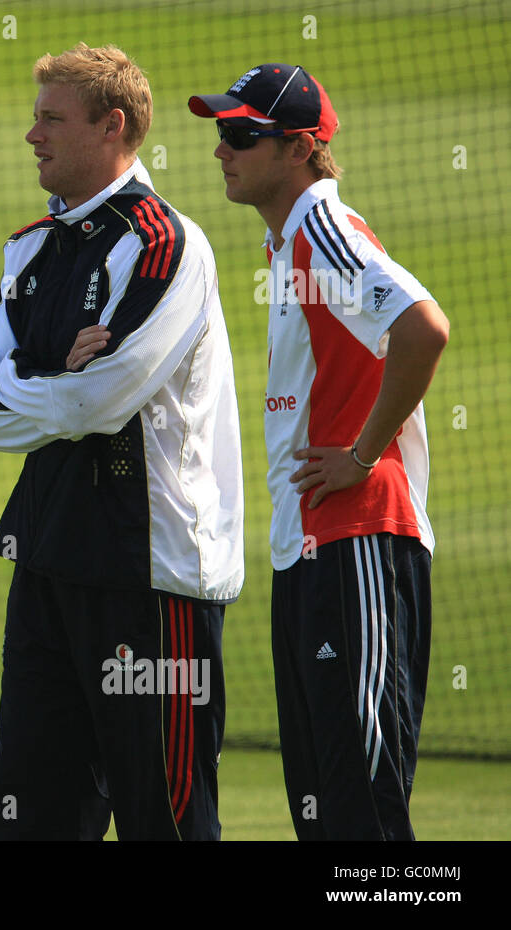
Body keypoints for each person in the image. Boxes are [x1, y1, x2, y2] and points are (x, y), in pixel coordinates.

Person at [0, 43, 244, 841]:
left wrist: (41, 379)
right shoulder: (31, 250)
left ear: (111, 127)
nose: (32, 135)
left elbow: (105, 396)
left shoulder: (166, 243)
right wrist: (62, 373)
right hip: (48, 555)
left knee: (165, 815)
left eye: (50, 119)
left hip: (149, 570)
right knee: (32, 812)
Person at [189, 64, 448, 840]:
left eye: (241, 135)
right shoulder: (290, 243)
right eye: (219, 133)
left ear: (300, 147)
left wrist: (364, 457)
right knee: (327, 809)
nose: (221, 150)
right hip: (312, 551)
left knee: (360, 812)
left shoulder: (322, 231)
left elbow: (422, 328)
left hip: (358, 540)